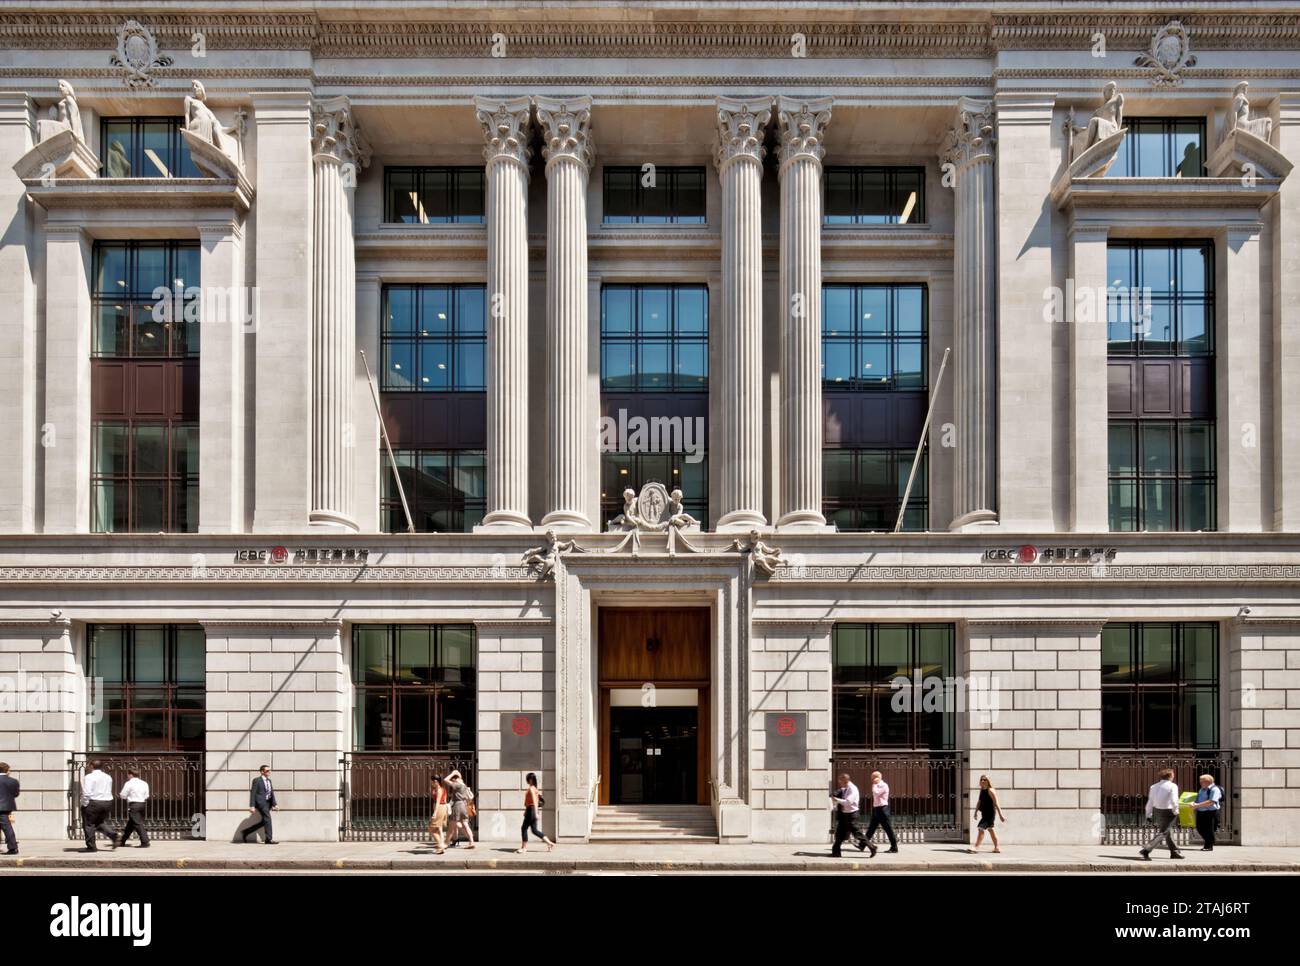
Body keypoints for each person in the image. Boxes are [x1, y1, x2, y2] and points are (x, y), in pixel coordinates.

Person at [1139, 768, 1185, 861]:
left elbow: (1150, 801)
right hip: (1169, 811)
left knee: (1168, 831)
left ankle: (1174, 852)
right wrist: (1176, 810)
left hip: (1158, 811)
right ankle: (1146, 849)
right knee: (1164, 832)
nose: (1173, 776)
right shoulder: (1173, 786)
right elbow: (1174, 799)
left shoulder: (1153, 786)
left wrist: (1148, 814)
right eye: (1173, 774)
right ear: (1170, 776)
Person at [830, 772, 872, 857]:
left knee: (857, 834)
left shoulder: (853, 789)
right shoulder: (846, 788)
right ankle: (836, 853)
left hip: (852, 815)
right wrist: (833, 794)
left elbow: (848, 802)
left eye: (841, 782)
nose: (840, 784)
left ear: (845, 781)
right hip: (845, 815)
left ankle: (872, 848)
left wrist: (836, 800)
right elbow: (840, 791)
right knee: (839, 834)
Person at [80, 759, 116, 852]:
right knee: (98, 822)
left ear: (92, 766)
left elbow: (87, 792)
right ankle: (113, 835)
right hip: (107, 802)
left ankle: (91, 846)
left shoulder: (89, 777)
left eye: (89, 765)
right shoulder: (108, 777)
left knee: (89, 824)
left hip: (94, 802)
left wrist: (84, 803)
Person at [516, 772, 555, 853]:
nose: (526, 780)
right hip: (531, 810)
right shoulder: (535, 789)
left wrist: (535, 812)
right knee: (534, 830)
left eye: (527, 779)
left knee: (523, 828)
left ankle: (524, 848)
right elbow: (532, 802)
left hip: (531, 810)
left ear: (530, 780)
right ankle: (550, 843)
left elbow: (534, 801)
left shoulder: (531, 789)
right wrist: (527, 811)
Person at [971, 775, 1007, 853]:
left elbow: (996, 802)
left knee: (981, 828)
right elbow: (979, 801)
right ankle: (997, 848)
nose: (982, 781)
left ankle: (976, 847)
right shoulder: (982, 790)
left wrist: (1001, 815)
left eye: (985, 779)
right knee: (990, 829)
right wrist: (975, 812)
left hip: (990, 813)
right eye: (981, 779)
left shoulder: (990, 790)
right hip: (984, 813)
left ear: (988, 781)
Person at [115, 767, 150, 848]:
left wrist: (125, 796)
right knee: (130, 825)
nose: (127, 776)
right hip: (142, 804)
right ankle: (122, 841)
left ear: (131, 775)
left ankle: (145, 841)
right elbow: (147, 796)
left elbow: (123, 795)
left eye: (128, 774)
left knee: (137, 823)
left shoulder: (129, 783)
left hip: (134, 805)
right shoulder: (144, 783)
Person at [865, 770, 899, 853]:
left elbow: (876, 793)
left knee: (888, 829)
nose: (871, 779)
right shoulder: (876, 785)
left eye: (872, 778)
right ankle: (862, 844)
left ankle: (894, 847)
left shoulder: (883, 785)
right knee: (871, 828)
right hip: (877, 809)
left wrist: (875, 784)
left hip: (883, 809)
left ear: (877, 778)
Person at [244, 764, 279, 844]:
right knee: (268, 818)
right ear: (262, 772)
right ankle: (269, 839)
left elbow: (271, 793)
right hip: (261, 803)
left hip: (268, 803)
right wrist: (252, 806)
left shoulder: (269, 781)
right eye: (267, 771)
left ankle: (246, 832)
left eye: (270, 770)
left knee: (265, 821)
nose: (269, 772)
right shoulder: (257, 780)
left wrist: (275, 804)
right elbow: (253, 793)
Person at [443, 769, 476, 850]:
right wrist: (457, 774)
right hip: (464, 806)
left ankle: (445, 844)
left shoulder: (457, 785)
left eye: (453, 779)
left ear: (454, 779)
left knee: (451, 826)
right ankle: (471, 842)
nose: (452, 780)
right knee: (465, 824)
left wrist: (452, 773)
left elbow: (445, 780)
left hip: (457, 806)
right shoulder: (463, 785)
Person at [1189, 773, 1223, 851]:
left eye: (1202, 781)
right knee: (1200, 828)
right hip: (1201, 811)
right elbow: (1198, 799)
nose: (1200, 783)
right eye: (1200, 781)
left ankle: (1209, 845)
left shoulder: (1214, 789)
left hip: (1211, 812)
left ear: (1208, 781)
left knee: (1209, 829)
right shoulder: (1201, 789)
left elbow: (1211, 802)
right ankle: (1209, 842)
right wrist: (1193, 803)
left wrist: (1197, 805)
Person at [428, 772, 449, 855]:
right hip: (442, 808)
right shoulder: (441, 789)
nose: (431, 783)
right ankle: (441, 846)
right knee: (439, 828)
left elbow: (437, 802)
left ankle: (440, 845)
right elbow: (446, 800)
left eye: (432, 781)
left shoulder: (439, 790)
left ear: (436, 781)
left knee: (432, 829)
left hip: (439, 808)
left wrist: (435, 813)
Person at [0, 763, 19, 855]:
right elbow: (16, 794)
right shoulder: (13, 781)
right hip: (6, 808)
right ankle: (13, 847)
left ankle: (13, 847)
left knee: (6, 827)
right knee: (6, 827)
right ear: (7, 771)